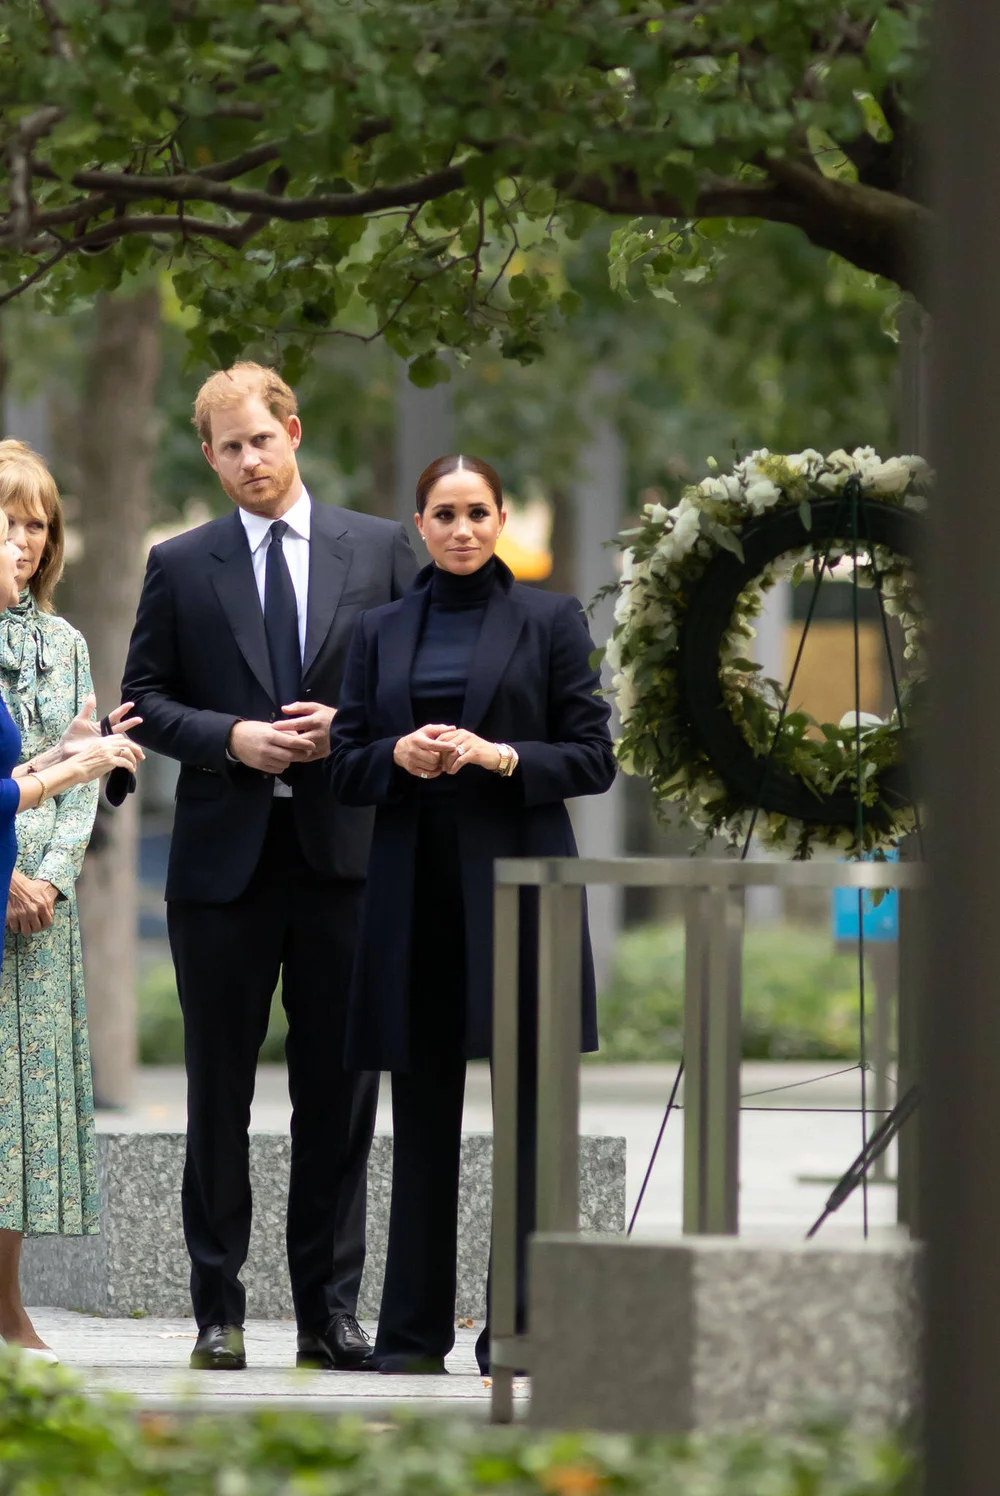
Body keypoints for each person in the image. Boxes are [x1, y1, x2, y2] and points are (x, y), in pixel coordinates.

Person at [120, 361, 417, 1373]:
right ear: (208, 458)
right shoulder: (178, 562)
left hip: (347, 860)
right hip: (222, 872)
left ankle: (330, 1315)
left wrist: (353, 724)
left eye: (261, 438)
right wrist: (231, 737)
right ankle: (219, 1312)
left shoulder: (379, 548)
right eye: (229, 448)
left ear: (294, 430)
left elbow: (420, 684)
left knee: (340, 1098)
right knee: (218, 1095)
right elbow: (146, 700)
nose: (249, 459)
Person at [328, 453, 616, 1375]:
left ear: (500, 521)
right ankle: (412, 1337)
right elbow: (346, 761)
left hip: (521, 890)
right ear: (419, 524)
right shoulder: (378, 630)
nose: (461, 529)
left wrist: (501, 757)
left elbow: (592, 757)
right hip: (414, 893)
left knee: (528, 1117)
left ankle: (520, 1333)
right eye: (444, 514)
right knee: (421, 1120)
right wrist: (397, 755)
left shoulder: (551, 619)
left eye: (478, 512)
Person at [0, 490, 142, 1361]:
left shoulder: (67, 642)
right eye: (7, 522)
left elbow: (80, 772)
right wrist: (4, 875)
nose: (24, 540)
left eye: (37, 525)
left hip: (39, 919)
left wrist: (45, 879)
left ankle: (7, 1302)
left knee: (22, 1115)